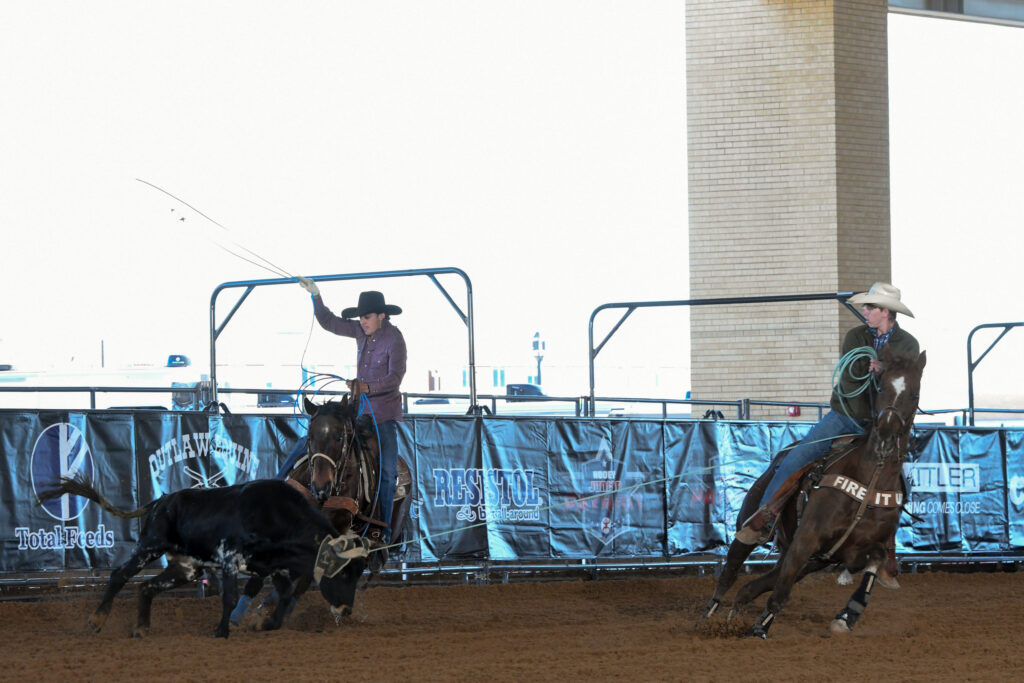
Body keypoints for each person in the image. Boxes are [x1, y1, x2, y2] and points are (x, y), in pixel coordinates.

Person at [735, 282, 919, 585]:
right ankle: (764, 518)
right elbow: (850, 380)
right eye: (866, 307)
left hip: (881, 426)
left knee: (893, 484)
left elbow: (905, 381)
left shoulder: (908, 344)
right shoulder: (856, 337)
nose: (865, 312)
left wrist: (884, 370)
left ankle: (886, 553)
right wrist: (874, 371)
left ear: (885, 312)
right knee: (799, 456)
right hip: (846, 416)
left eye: (870, 307)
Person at [297, 277, 407, 549]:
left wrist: (367, 386)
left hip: (383, 416)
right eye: (360, 318)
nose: (362, 322)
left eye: (367, 317)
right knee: (312, 443)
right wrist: (315, 295)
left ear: (382, 316)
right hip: (359, 413)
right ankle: (283, 486)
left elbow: (395, 378)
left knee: (388, 472)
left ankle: (381, 531)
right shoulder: (360, 330)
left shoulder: (394, 339)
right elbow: (328, 322)